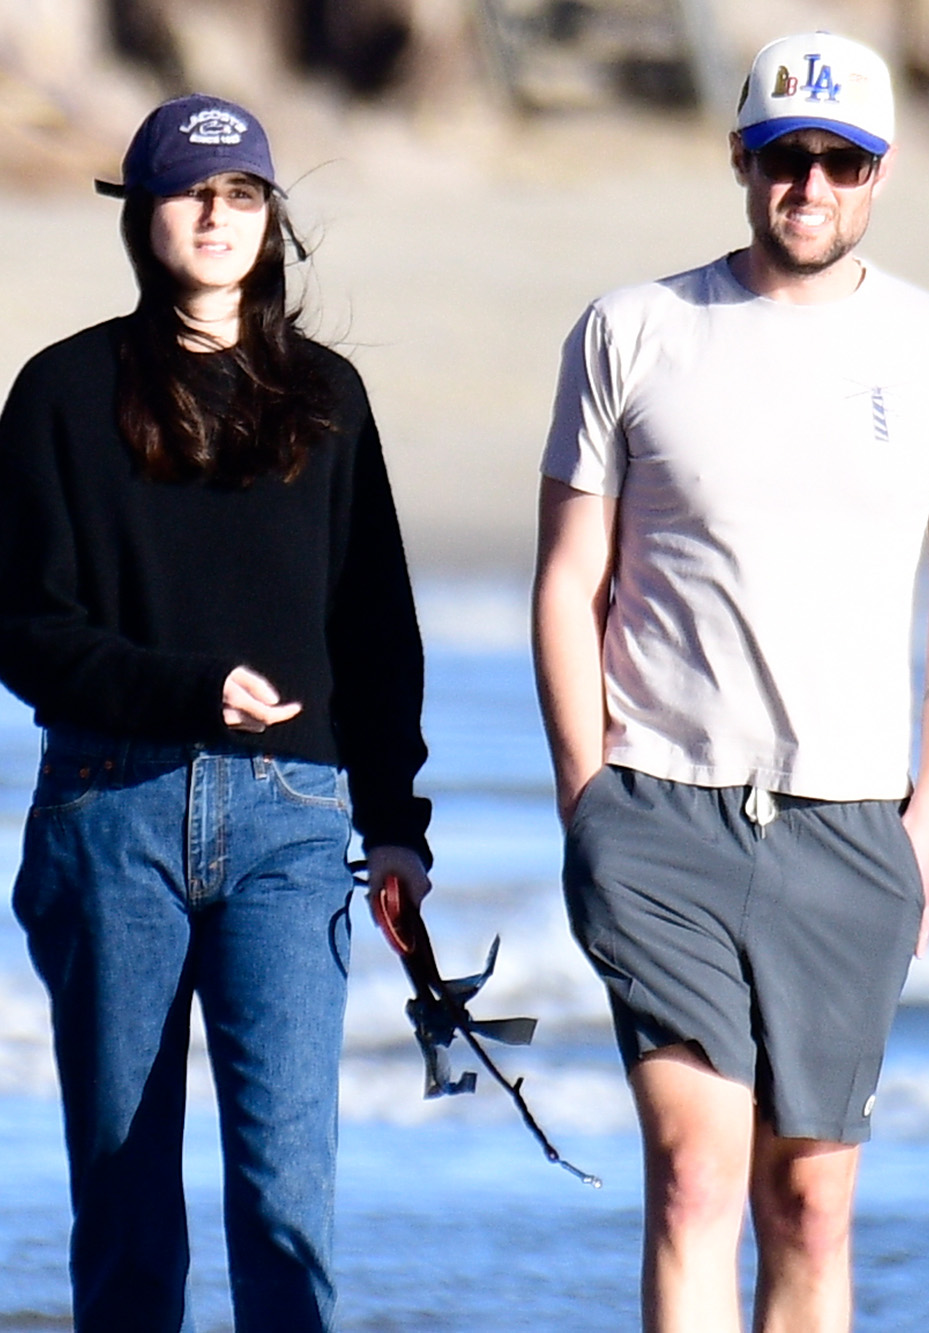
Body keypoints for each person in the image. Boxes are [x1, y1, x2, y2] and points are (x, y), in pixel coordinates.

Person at [532, 31, 929, 1333]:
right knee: (690, 1183)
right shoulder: (632, 331)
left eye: (840, 161)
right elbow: (570, 582)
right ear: (742, 159)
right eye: (785, 155)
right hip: (660, 818)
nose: (811, 185)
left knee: (813, 1207)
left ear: (878, 176)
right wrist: (589, 801)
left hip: (849, 831)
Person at [0, 95, 431, 1332]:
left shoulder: (329, 397)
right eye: (190, 194)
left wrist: (397, 825)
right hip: (107, 808)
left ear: (271, 219)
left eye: (242, 194)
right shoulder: (62, 394)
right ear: (142, 217)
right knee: (126, 1194)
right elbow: (24, 630)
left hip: (293, 825)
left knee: (287, 1193)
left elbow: (376, 633)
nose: (216, 215)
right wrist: (187, 687)